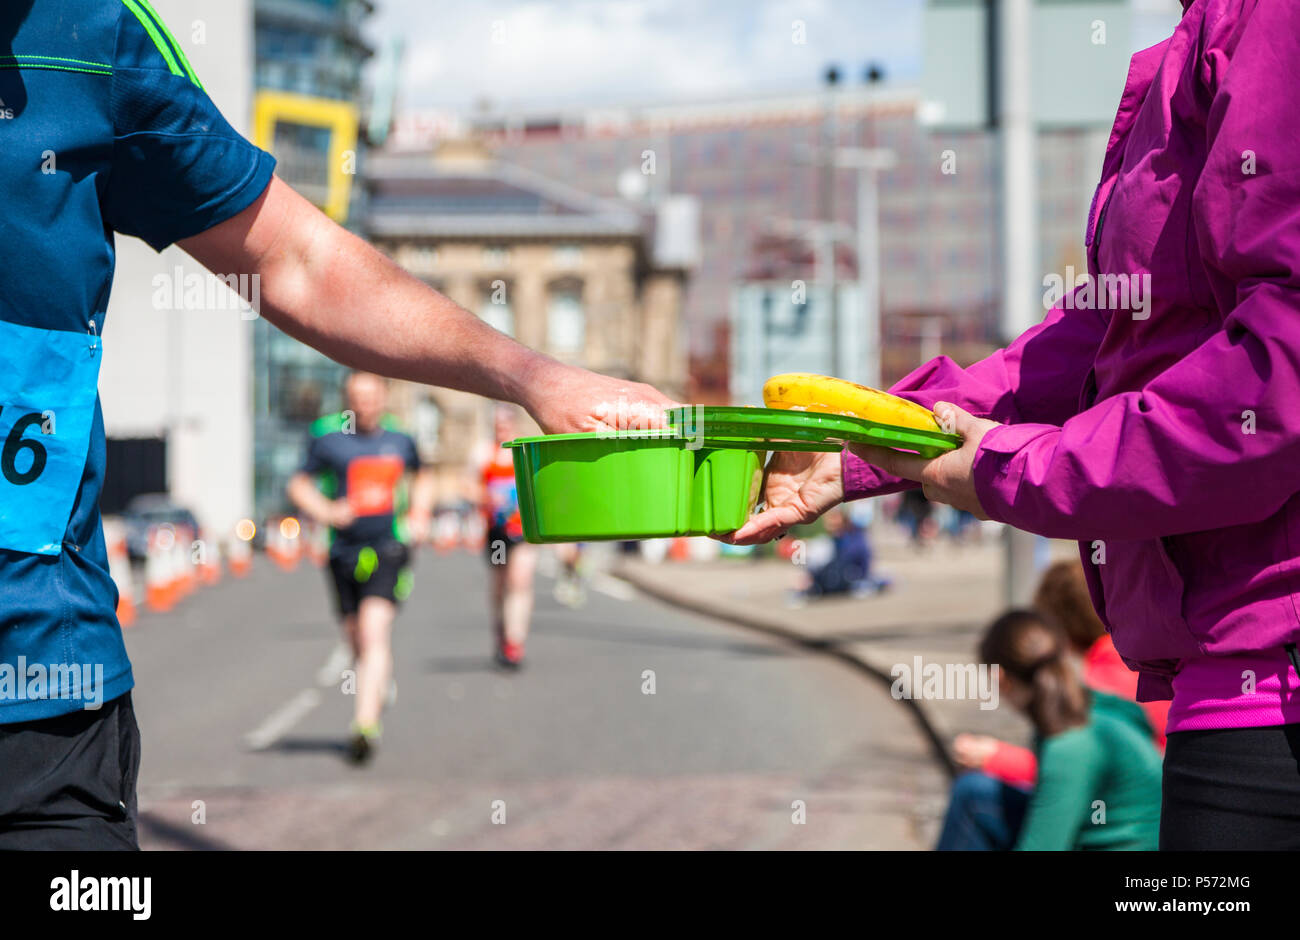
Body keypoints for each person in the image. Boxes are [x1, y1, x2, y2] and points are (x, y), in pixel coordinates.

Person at [0, 0, 674, 849]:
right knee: (367, 631)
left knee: (387, 632)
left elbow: (298, 260)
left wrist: (533, 375)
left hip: (44, 688)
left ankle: (374, 698)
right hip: (314, 561)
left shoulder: (93, 33)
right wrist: (317, 512)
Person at [732, 2, 1300, 850]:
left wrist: (1016, 470)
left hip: (1272, 673)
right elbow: (1109, 336)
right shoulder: (1216, 29)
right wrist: (869, 447)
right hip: (1232, 669)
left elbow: (1277, 377)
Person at [287, 373, 433, 764]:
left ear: (385, 397)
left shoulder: (400, 439)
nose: (365, 404)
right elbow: (300, 485)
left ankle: (364, 725)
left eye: (372, 396)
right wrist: (328, 511)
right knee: (355, 637)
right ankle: (378, 684)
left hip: (389, 545)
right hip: (342, 551)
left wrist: (419, 513)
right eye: (357, 397)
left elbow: (423, 477)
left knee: (373, 631)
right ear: (346, 399)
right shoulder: (327, 436)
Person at [936, 611, 1163, 851]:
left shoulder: (1070, 744)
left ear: (1000, 677)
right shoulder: (1090, 707)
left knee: (971, 795)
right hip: (1108, 830)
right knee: (974, 793)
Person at [954, 560, 1170, 789]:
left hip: (1141, 803)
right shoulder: (1141, 657)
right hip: (1160, 790)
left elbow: (1072, 768)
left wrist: (994, 757)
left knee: (974, 791)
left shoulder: (1104, 682)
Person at [480, 406, 536, 668]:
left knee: (520, 581)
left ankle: (515, 641)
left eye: (505, 423)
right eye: (497, 424)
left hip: (521, 529)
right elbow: (467, 486)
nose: (501, 428)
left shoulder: (525, 451)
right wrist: (485, 498)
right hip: (497, 533)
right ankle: (501, 634)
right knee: (501, 586)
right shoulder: (483, 453)